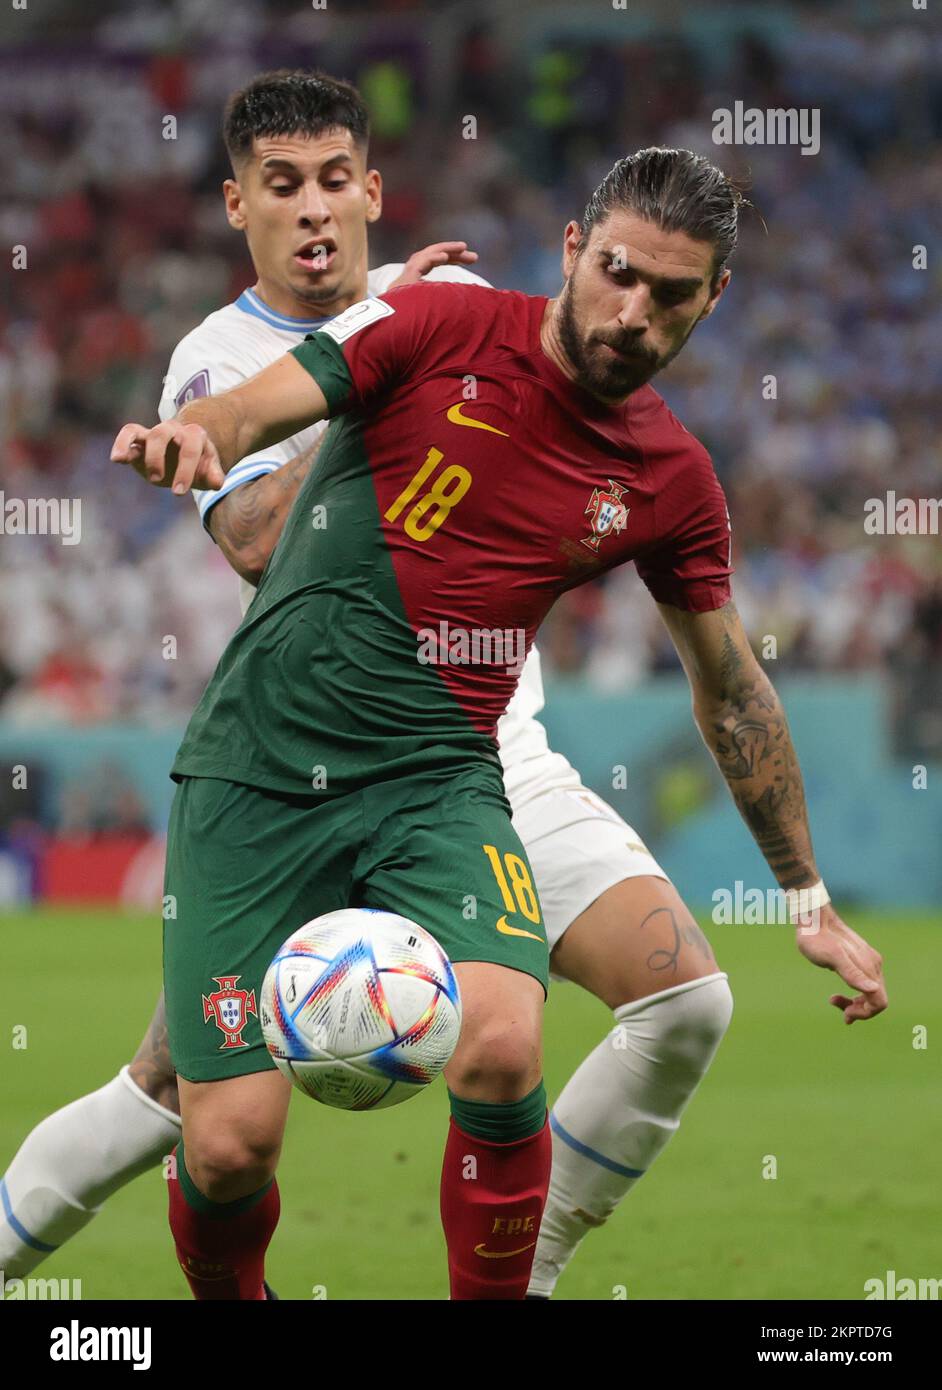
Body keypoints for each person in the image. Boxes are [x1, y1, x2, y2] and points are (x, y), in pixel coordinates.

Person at [109, 137, 888, 1300]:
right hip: (257, 770)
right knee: (225, 1147)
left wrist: (807, 895)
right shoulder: (433, 325)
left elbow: (728, 687)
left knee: (505, 1042)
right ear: (572, 249)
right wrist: (200, 434)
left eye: (672, 294)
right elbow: (269, 399)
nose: (633, 313)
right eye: (617, 272)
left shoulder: (669, 476)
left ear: (714, 299)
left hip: (442, 775)